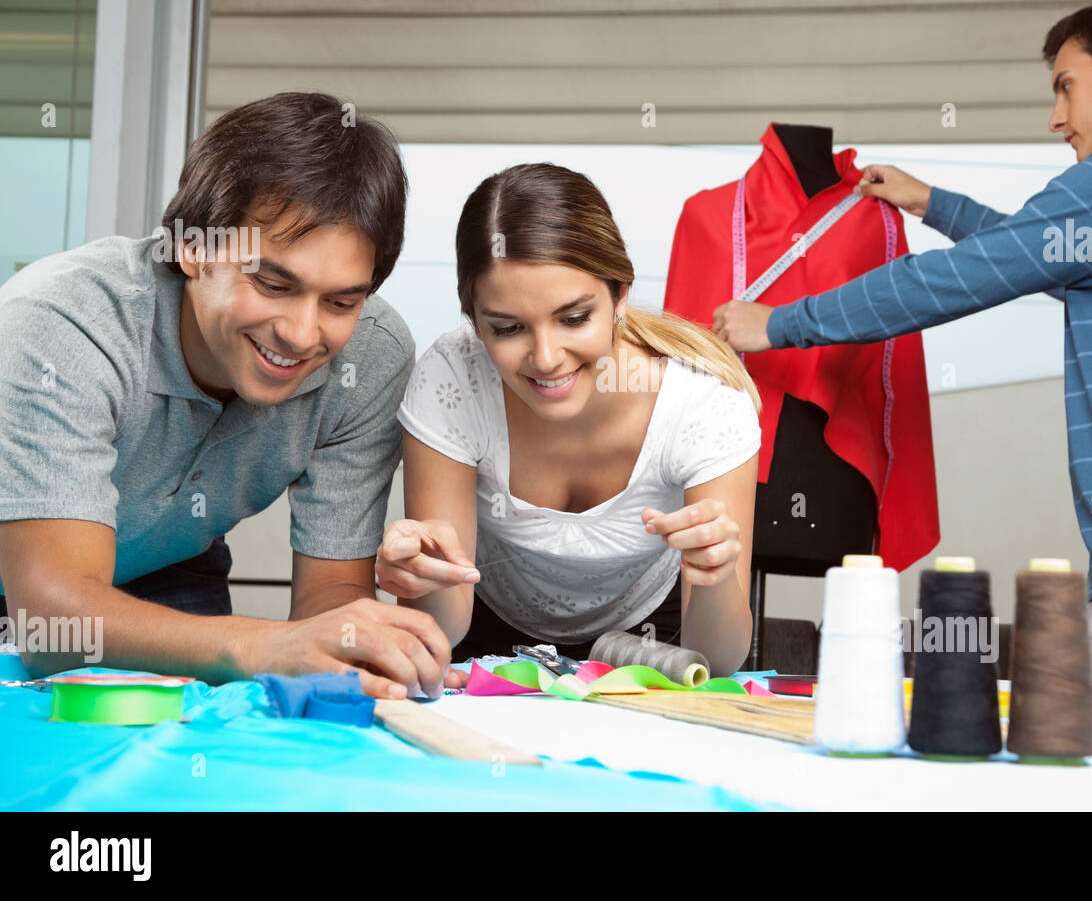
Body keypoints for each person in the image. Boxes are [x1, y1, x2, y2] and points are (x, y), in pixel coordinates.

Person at [713, 0, 1092, 686]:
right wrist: (934, 204)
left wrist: (781, 323)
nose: (1057, 118)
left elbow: (964, 277)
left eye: (1067, 87)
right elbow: (1052, 257)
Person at [0, 91, 460, 699]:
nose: (300, 334)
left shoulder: (371, 356)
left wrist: (362, 644)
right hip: (39, 591)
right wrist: (263, 646)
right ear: (193, 246)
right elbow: (52, 625)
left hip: (165, 567)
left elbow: (329, 600)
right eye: (272, 283)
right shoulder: (64, 319)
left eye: (342, 302)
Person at [375, 163, 761, 675]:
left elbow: (718, 660)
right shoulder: (452, 379)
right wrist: (421, 577)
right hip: (488, 632)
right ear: (473, 321)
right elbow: (439, 631)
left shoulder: (703, 401)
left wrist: (716, 574)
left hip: (652, 638)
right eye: (508, 328)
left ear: (620, 296)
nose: (547, 357)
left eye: (574, 318)